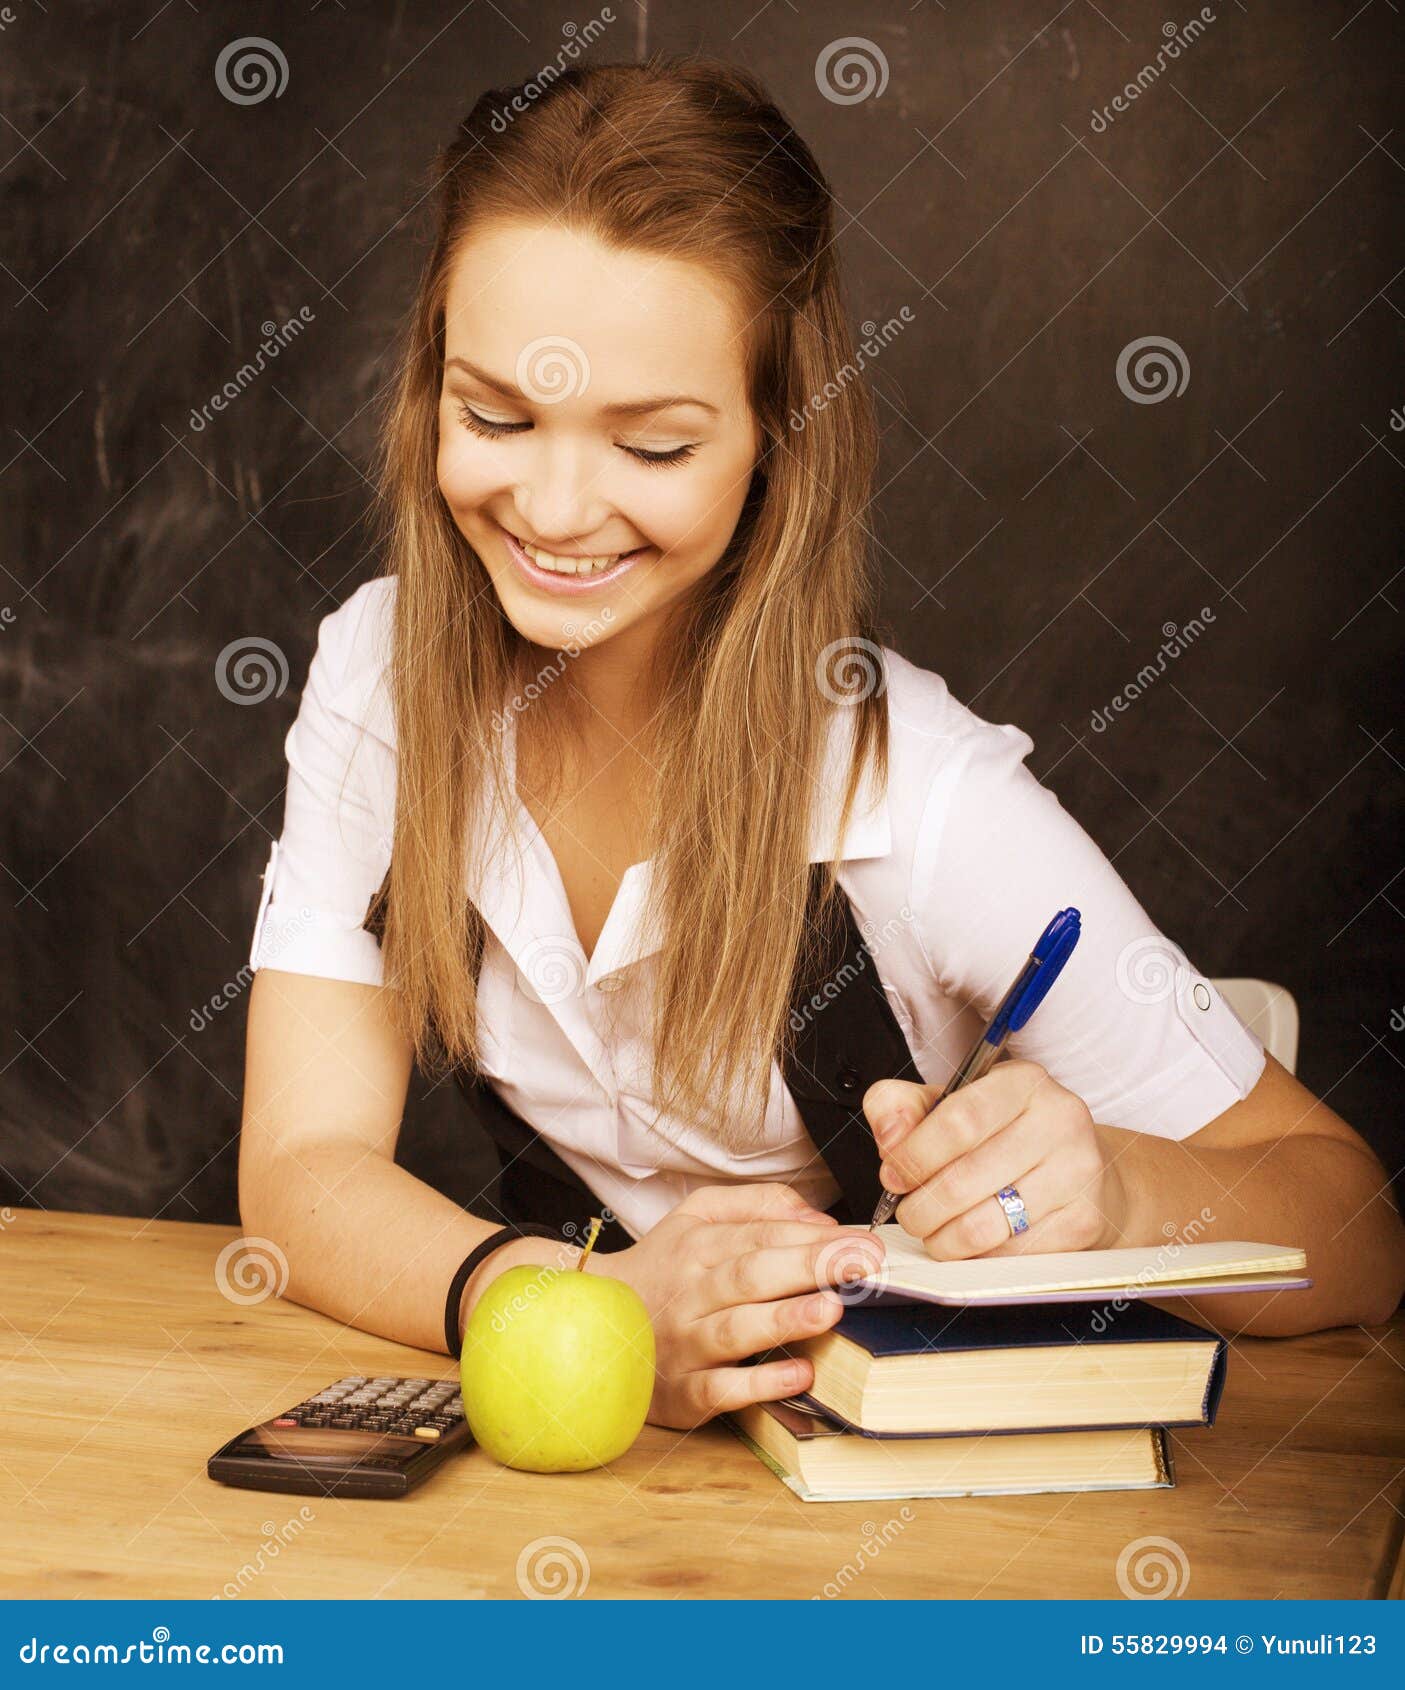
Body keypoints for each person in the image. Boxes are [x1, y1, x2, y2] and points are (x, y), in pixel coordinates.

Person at [238, 57, 1404, 1432]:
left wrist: (1124, 1185)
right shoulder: (380, 671)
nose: (551, 506)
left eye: (653, 445)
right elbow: (301, 1169)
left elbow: (1357, 1228)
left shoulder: (921, 795)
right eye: (495, 415)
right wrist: (581, 1307)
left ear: (776, 445)